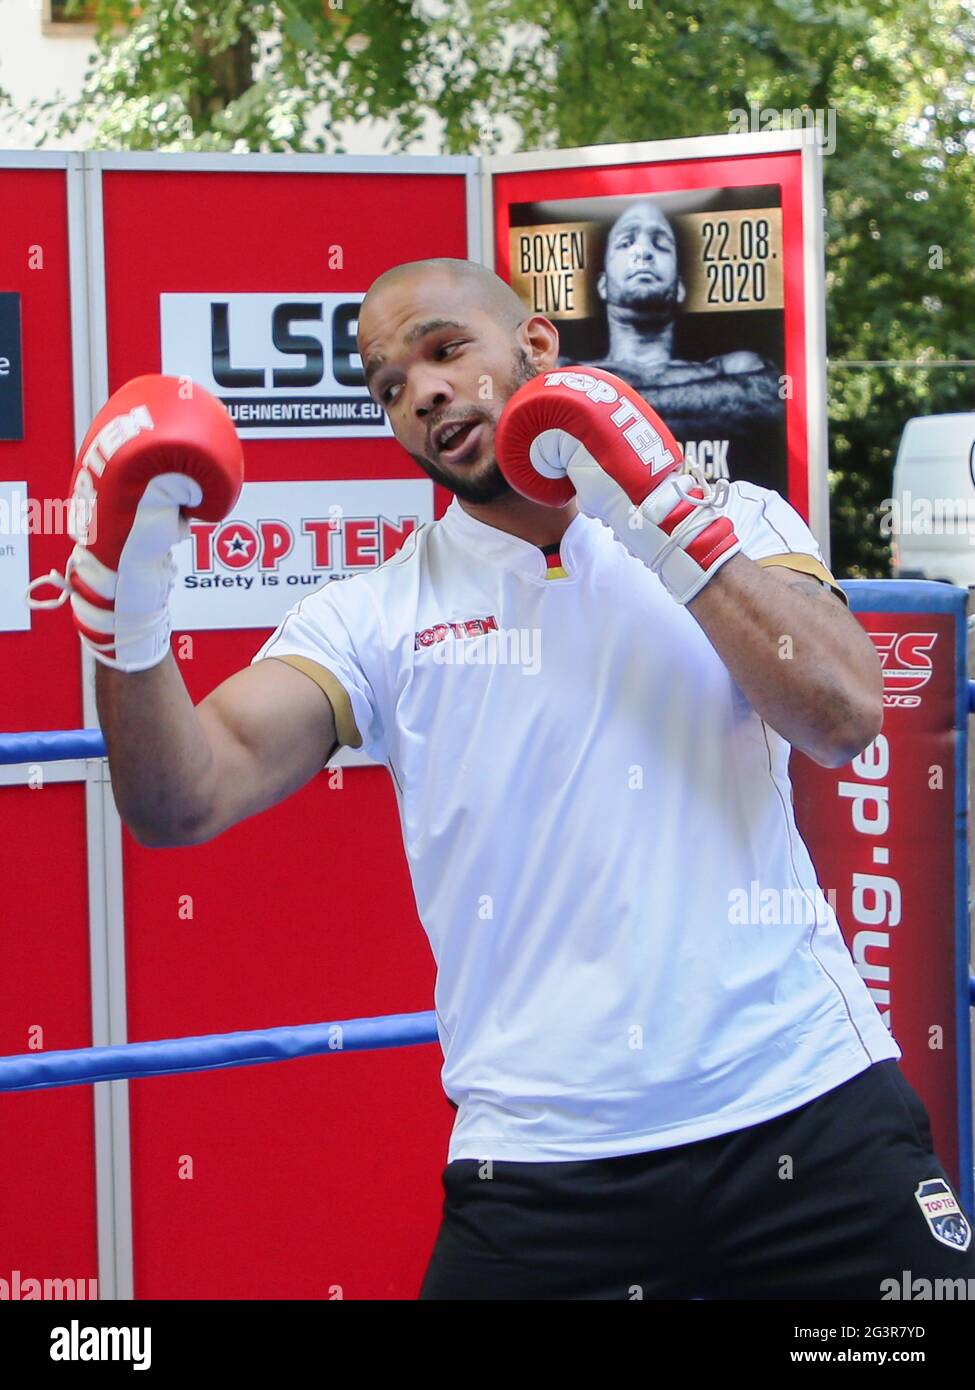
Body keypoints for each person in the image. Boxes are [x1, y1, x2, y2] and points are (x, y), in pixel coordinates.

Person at [37, 258, 973, 1300]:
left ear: (534, 349)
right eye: (390, 386)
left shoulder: (738, 521)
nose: (422, 392)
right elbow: (183, 799)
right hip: (542, 1165)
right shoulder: (373, 615)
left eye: (444, 350)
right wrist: (125, 613)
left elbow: (843, 716)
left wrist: (662, 520)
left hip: (809, 1104)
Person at [578, 199, 785, 489]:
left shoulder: (738, 365)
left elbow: (769, 400)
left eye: (660, 244)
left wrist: (597, 408)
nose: (643, 252)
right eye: (626, 242)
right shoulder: (564, 369)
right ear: (602, 286)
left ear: (680, 288)